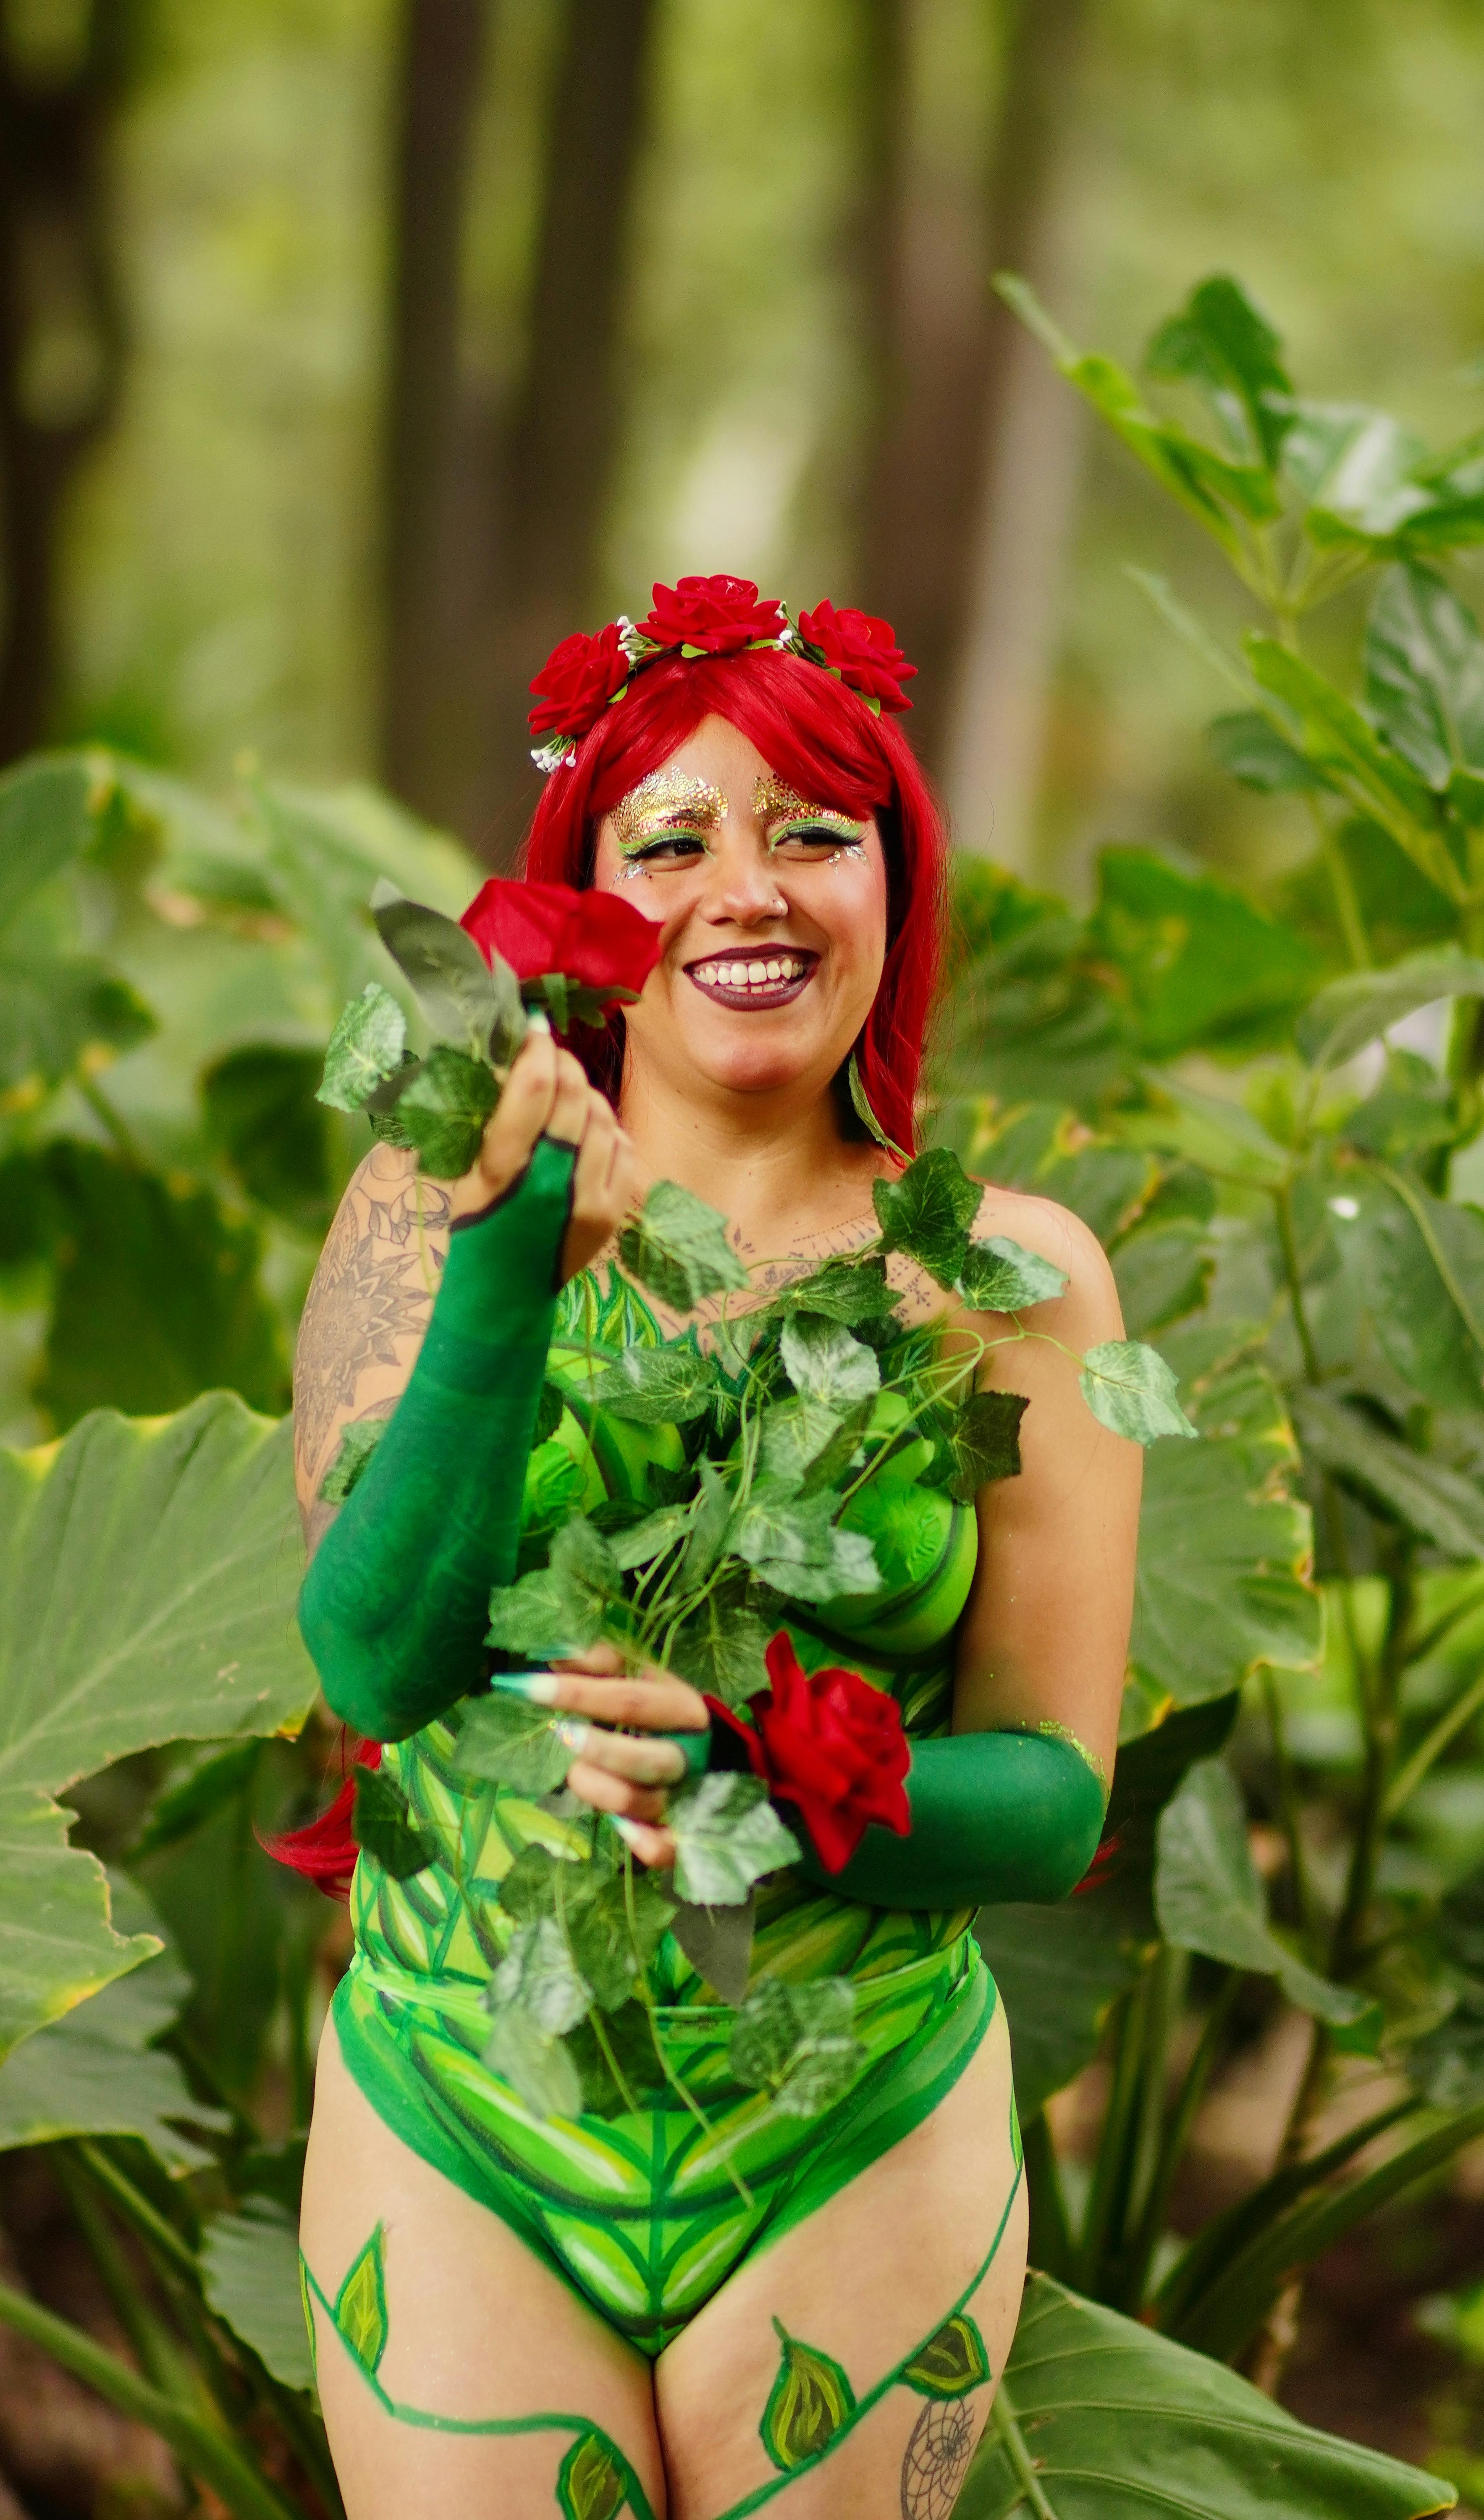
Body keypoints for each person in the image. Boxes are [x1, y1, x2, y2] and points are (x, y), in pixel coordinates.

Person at [286, 577, 1140, 2520]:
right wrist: (516, 1268)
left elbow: (1047, 1803)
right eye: (671, 840)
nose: (746, 887)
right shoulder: (429, 1204)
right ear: (589, 903)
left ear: (894, 887)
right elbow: (371, 1667)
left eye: (812, 836)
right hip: (459, 2112)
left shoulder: (1010, 1282)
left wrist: (768, 1766)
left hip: (853, 2126)